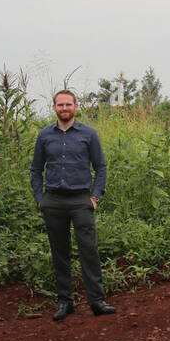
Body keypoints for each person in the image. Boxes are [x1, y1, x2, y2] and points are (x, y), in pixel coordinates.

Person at [31, 90, 114, 320]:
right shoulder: (45, 135)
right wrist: (40, 198)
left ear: (76, 106)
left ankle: (97, 301)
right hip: (53, 200)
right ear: (54, 107)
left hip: (81, 200)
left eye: (68, 104)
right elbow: (36, 169)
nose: (64, 108)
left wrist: (95, 196)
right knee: (60, 252)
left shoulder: (88, 134)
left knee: (88, 250)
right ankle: (65, 302)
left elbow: (101, 167)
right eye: (60, 105)